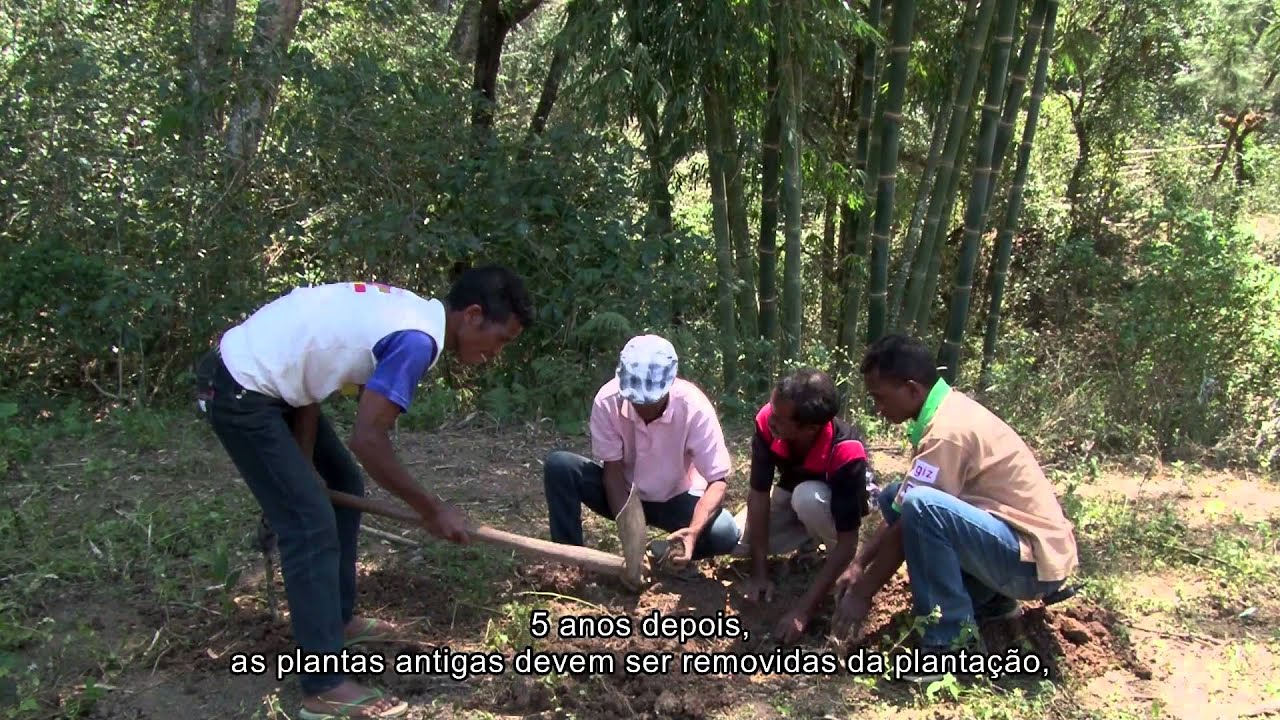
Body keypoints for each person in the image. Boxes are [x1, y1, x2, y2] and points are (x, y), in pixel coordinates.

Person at [196, 266, 532, 719]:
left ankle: (335, 618)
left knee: (342, 484)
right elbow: (368, 440)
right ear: (473, 316)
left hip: (280, 388)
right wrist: (431, 509)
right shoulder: (417, 340)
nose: (497, 353)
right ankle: (322, 687)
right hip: (242, 389)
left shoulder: (411, 316)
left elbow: (313, 380)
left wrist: (304, 461)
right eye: (502, 340)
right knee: (310, 525)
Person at [832, 334, 1078, 682]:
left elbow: (911, 520)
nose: (879, 409)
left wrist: (861, 593)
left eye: (880, 398)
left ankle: (949, 645)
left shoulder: (946, 432)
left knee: (923, 507)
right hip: (1014, 549)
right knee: (895, 496)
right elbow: (900, 508)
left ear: (913, 390)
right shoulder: (947, 411)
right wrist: (859, 563)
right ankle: (990, 602)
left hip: (1030, 565)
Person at [543, 334, 741, 570]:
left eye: (652, 401)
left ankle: (671, 552)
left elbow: (717, 481)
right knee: (560, 467)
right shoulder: (607, 401)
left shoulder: (694, 407)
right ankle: (569, 563)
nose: (643, 407)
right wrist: (630, 534)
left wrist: (693, 532)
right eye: (636, 400)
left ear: (670, 385)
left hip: (675, 497)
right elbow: (612, 472)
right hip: (624, 492)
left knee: (725, 533)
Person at [733, 368, 876, 643]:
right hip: (794, 494)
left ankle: (835, 567)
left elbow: (848, 541)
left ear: (810, 428)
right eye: (772, 409)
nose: (769, 418)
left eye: (780, 418)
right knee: (736, 542)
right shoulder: (769, 421)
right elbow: (759, 494)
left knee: (807, 497)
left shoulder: (846, 451)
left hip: (830, 510)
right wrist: (759, 573)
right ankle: (806, 543)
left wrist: (802, 611)